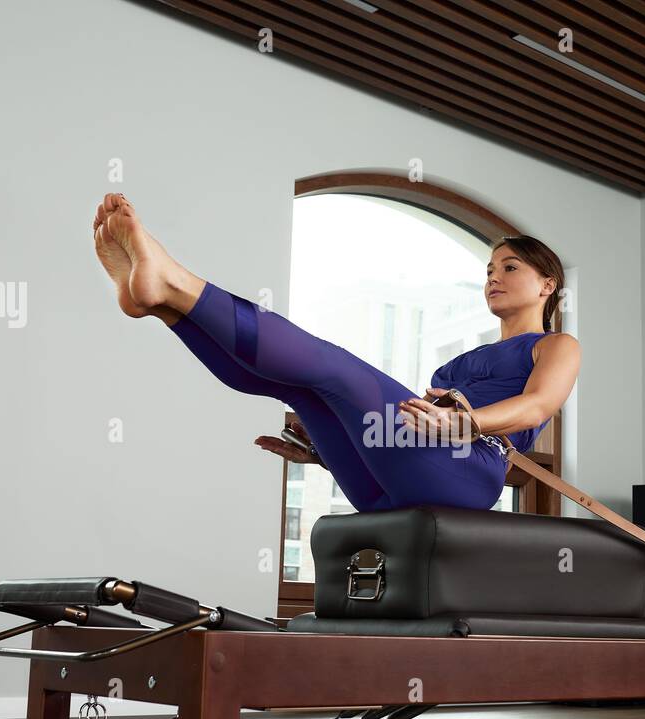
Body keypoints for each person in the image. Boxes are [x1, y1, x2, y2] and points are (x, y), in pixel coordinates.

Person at [91, 193, 580, 512]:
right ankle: (162, 305)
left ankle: (175, 282)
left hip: (468, 473)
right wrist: (331, 450)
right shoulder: (457, 365)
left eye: (510, 267)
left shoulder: (556, 345)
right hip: (390, 488)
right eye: (490, 268)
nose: (493, 277)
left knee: (337, 369)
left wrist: (467, 423)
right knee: (304, 391)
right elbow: (401, 435)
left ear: (547, 285)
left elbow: (539, 406)